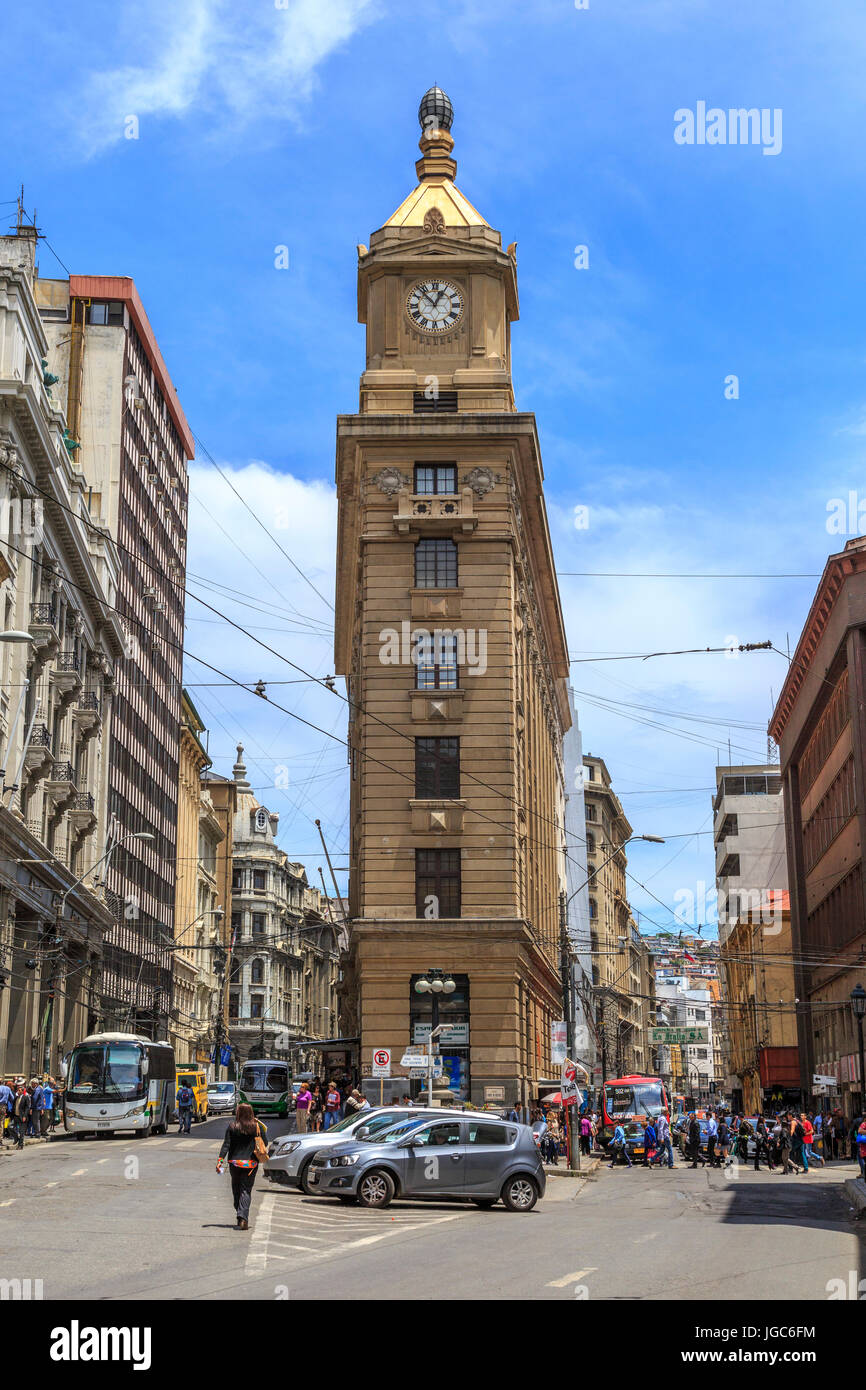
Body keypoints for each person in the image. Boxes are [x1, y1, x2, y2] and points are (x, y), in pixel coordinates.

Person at [217, 1103, 267, 1230]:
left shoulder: (233, 1126)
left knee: (236, 1188)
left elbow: (226, 1145)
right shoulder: (256, 1127)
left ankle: (240, 1212)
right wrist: (259, 1125)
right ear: (251, 1113)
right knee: (246, 1190)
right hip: (251, 1164)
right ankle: (243, 1217)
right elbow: (265, 1142)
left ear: (239, 1113)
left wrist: (220, 1160)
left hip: (235, 1163)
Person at [11, 1083, 30, 1149]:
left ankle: (20, 1145)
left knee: (21, 1131)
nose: (18, 1092)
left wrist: (25, 1116)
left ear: (22, 1091)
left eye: (19, 1090)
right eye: (17, 1090)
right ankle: (16, 1138)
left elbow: (27, 1107)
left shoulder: (25, 1098)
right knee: (10, 1127)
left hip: (22, 1117)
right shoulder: (16, 1098)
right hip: (15, 1116)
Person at [0, 1078, 13, 1147]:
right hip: (3, 1106)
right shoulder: (7, 1089)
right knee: (1, 1123)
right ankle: (0, 1140)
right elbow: (12, 1098)